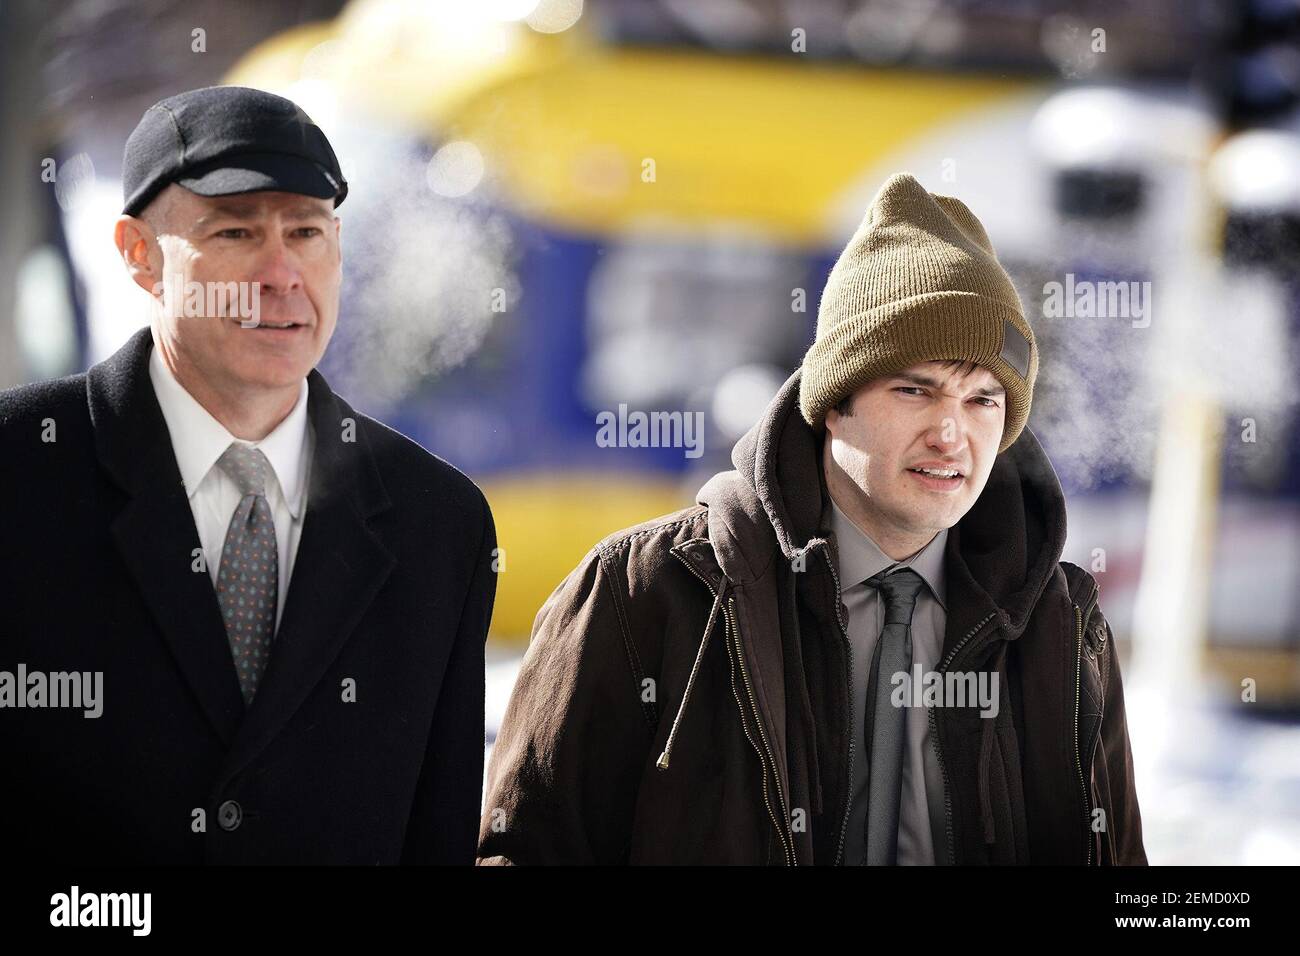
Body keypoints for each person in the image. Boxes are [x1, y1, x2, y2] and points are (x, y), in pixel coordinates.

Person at [478, 172, 1145, 865]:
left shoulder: (1065, 627)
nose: (952, 434)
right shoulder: (646, 591)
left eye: (982, 400)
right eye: (915, 390)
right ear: (833, 403)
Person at [0, 86, 496, 864]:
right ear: (139, 255)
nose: (281, 272)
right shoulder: (20, 472)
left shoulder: (439, 524)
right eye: (234, 231)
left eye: (307, 232)